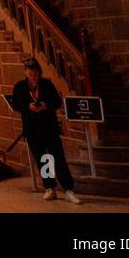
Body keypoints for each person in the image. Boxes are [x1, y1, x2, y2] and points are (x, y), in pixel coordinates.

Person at [11, 59, 81, 203]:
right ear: (25, 72)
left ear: (39, 73)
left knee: (58, 157)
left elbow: (56, 101)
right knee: (43, 159)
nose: (33, 77)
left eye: (35, 75)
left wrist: (45, 106)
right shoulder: (20, 87)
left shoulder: (47, 84)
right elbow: (17, 104)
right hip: (32, 129)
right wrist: (28, 106)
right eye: (30, 75)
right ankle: (50, 187)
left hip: (49, 127)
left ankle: (68, 189)